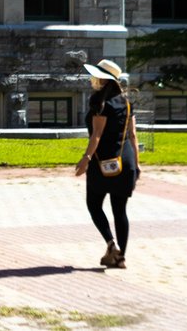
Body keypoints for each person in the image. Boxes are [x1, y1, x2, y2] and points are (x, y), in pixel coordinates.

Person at [75, 58, 140, 269]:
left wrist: (85, 159)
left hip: (102, 161)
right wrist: (137, 164)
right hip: (125, 161)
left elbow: (96, 135)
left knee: (94, 205)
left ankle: (111, 244)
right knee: (120, 210)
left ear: (101, 78)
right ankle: (120, 257)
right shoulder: (126, 102)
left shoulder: (99, 102)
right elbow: (133, 136)